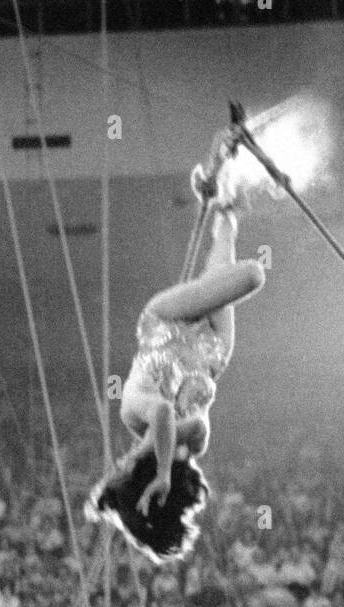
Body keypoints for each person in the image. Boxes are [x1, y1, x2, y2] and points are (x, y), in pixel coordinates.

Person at [86, 133, 270, 563]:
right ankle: (222, 197)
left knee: (250, 276)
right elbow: (178, 423)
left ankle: (220, 192)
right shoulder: (195, 442)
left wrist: (161, 469)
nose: (118, 462)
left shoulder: (132, 411)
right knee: (223, 258)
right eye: (120, 470)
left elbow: (164, 413)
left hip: (167, 324)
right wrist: (165, 470)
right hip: (210, 354)